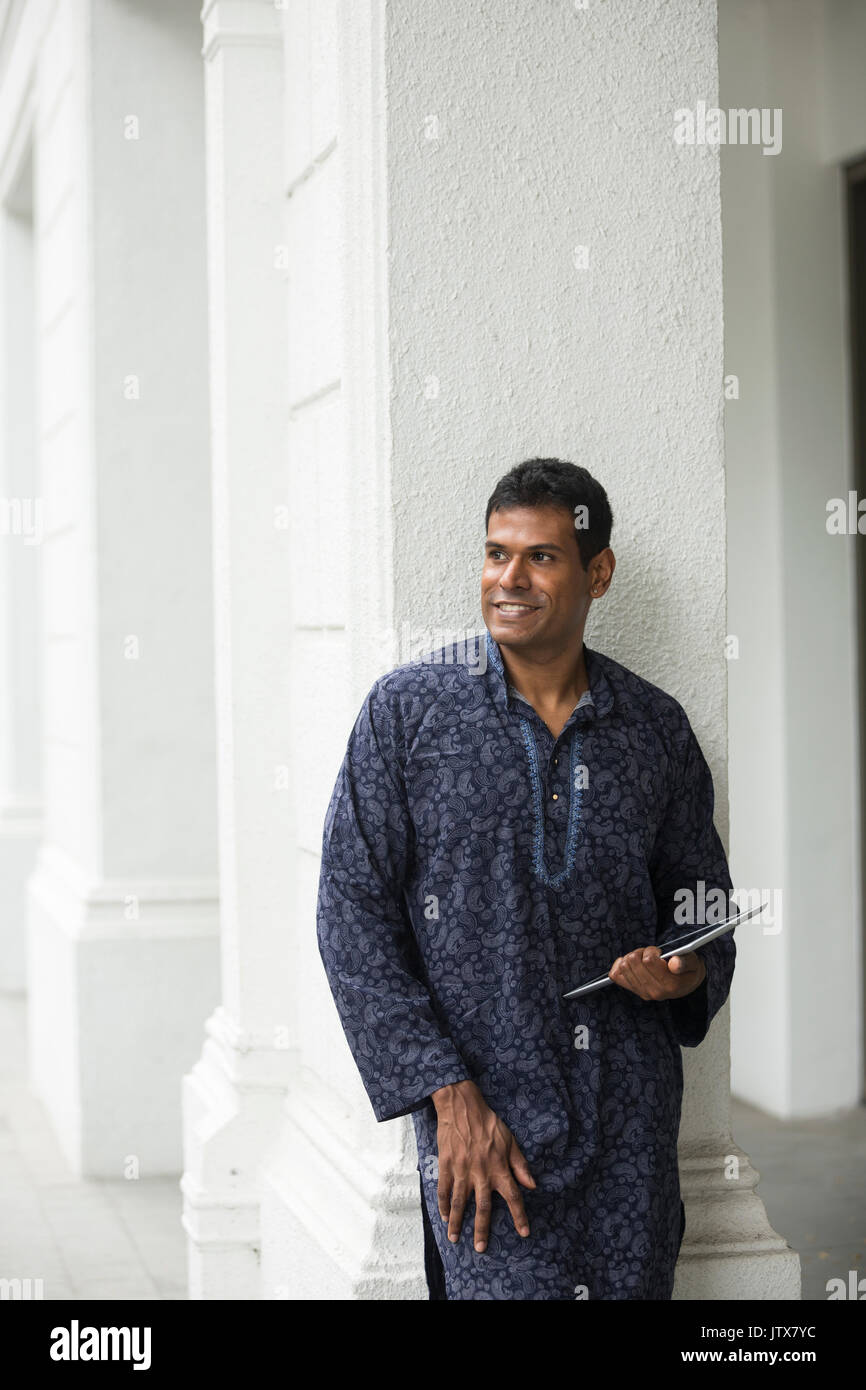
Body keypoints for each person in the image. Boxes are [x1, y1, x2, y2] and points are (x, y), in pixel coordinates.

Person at [316, 457, 736, 1300]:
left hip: (628, 1123)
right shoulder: (409, 714)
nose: (509, 578)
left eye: (540, 557)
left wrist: (681, 971)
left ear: (597, 572)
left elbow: (701, 903)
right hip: (486, 1132)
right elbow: (351, 915)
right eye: (496, 553)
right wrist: (447, 1098)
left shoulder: (653, 729)